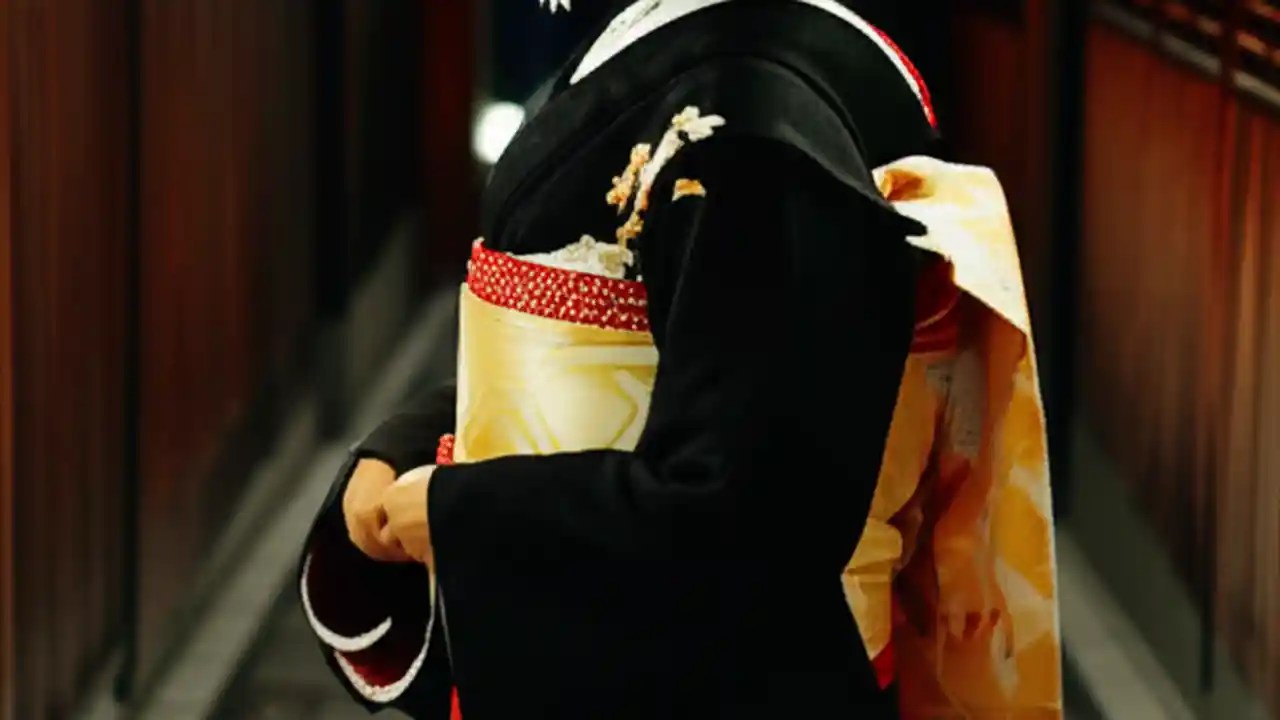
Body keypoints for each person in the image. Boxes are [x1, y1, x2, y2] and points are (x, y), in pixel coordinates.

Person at [299, 1, 1063, 717]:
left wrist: (463, 517)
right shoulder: (688, 43)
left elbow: (751, 506)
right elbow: (591, 358)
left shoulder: (753, 124)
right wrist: (401, 448)